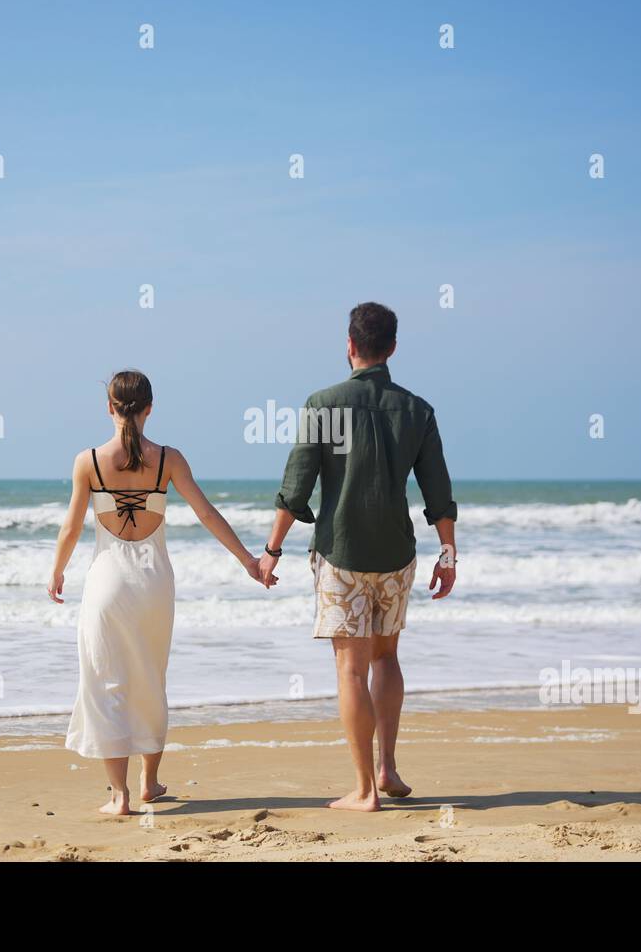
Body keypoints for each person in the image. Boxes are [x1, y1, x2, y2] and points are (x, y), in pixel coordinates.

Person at [259, 302, 458, 812]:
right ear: (392, 348)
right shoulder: (417, 410)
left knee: (351, 669)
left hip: (342, 553)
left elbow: (295, 487)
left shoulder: (323, 405)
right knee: (387, 656)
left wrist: (271, 551)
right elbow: (438, 490)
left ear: (349, 345)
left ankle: (365, 789)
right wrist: (449, 553)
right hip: (396, 552)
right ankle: (388, 766)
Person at [49, 369, 271, 815]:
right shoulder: (169, 458)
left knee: (107, 681)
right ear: (150, 408)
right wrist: (249, 560)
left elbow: (72, 527)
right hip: (153, 582)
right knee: (151, 678)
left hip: (106, 582)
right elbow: (207, 513)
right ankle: (150, 782)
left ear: (109, 407)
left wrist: (56, 571)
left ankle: (121, 796)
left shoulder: (87, 461)